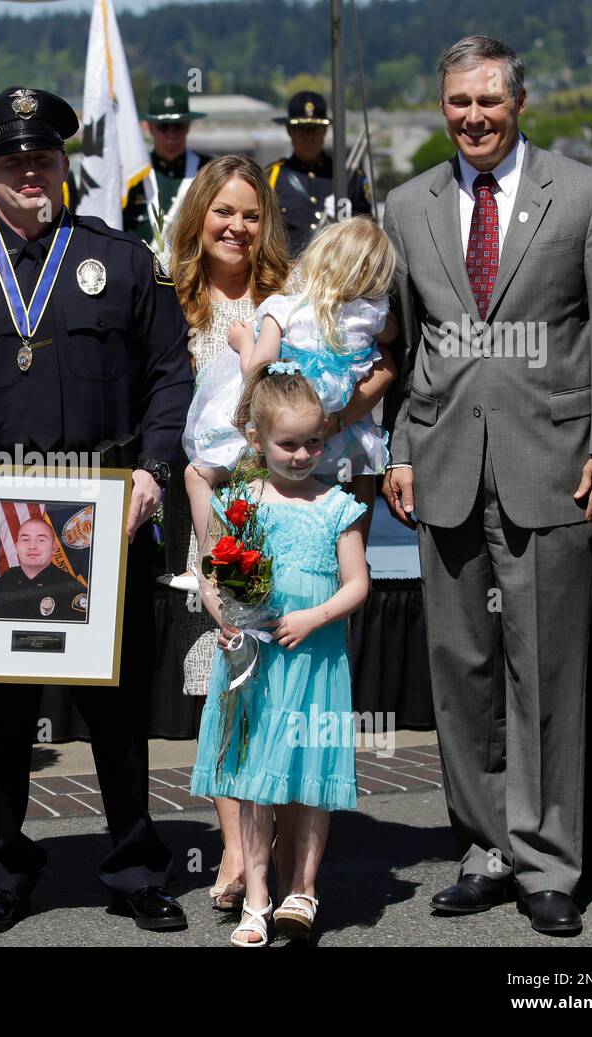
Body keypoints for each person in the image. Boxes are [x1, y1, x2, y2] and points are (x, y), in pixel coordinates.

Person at [0, 86, 193, 935]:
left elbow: (171, 372)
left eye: (44, 159)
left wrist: (155, 469)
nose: (30, 173)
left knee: (119, 707)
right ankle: (3, 869)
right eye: (12, 162)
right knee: (1, 710)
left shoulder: (123, 262)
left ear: (64, 167)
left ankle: (133, 866)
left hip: (104, 516)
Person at [381, 35, 592, 936]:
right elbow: (404, 346)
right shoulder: (406, 205)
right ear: (441, 104)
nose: (473, 118)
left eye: (488, 101)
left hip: (556, 469)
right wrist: (401, 449)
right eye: (458, 103)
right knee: (461, 669)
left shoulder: (583, 194)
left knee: (548, 668)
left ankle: (548, 861)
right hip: (445, 472)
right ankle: (486, 844)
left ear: (518, 101)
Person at [191, 364, 370, 946]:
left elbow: (357, 583)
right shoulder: (240, 502)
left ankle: (304, 889)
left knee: (311, 775)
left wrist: (313, 618)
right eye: (287, 444)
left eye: (313, 442)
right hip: (255, 663)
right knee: (251, 778)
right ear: (256, 440)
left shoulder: (338, 505)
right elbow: (212, 578)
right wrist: (227, 625)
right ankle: (258, 899)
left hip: (315, 660)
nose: (301, 455)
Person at [160, 154, 289, 912]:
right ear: (199, 217)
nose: (236, 226)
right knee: (222, 679)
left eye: (249, 213)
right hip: (203, 519)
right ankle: (236, 846)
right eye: (223, 212)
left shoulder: (285, 302)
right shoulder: (171, 303)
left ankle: (260, 848)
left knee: (265, 686)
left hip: (273, 516)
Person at [185, 216, 399, 550]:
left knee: (201, 473)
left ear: (318, 258)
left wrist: (244, 343)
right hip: (336, 437)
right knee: (362, 474)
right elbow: (393, 335)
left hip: (285, 426)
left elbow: (258, 371)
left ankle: (211, 557)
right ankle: (355, 556)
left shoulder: (284, 308)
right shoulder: (372, 315)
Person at [265, 91, 373, 256]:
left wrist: (352, 220)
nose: (309, 137)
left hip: (337, 270)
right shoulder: (271, 177)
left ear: (325, 130)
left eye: (315, 129)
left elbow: (371, 233)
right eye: (302, 129)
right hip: (286, 273)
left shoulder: (349, 176)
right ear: (289, 130)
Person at [122, 84, 214, 249]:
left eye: (179, 126)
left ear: (188, 126)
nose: (171, 133)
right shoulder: (132, 173)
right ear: (150, 127)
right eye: (163, 126)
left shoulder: (208, 170)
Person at [0, 517, 87, 621]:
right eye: (25, 540)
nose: (32, 546)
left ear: (54, 548)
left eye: (41, 540)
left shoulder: (72, 590)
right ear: (17, 547)